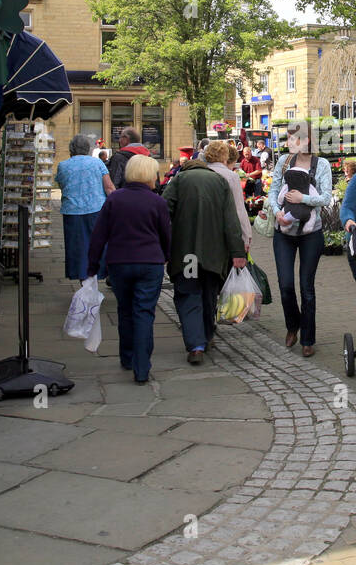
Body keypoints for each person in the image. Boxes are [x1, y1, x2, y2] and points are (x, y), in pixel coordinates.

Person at [88, 154, 171, 383]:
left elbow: (99, 235)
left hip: (120, 263)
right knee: (144, 312)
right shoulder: (157, 202)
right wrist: (166, 257)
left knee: (125, 310)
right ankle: (142, 367)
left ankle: (127, 357)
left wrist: (92, 265)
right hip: (150, 263)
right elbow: (166, 235)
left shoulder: (115, 200)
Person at [164, 144, 247, 365]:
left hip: (187, 253)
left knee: (189, 294)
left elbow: (163, 211)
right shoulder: (219, 182)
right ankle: (208, 335)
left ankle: (196, 346)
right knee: (209, 294)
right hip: (213, 253)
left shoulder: (180, 180)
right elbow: (231, 221)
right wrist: (238, 252)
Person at [268, 120, 334, 357]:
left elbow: (326, 197)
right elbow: (273, 191)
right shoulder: (284, 162)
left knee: (307, 286)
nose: (289, 143)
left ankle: (308, 338)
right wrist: (277, 212)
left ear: (306, 141)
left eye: (293, 138)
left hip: (310, 232)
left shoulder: (321, 164)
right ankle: (292, 324)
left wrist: (303, 200)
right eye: (288, 138)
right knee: (286, 285)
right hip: (283, 231)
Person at [55, 133, 114, 282]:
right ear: (88, 148)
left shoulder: (63, 165)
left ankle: (84, 280)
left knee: (78, 248)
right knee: (99, 245)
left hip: (72, 212)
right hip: (96, 210)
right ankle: (97, 274)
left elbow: (62, 184)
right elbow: (109, 188)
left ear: (71, 149)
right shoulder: (97, 163)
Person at [207, 141, 253, 251]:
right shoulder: (231, 176)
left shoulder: (201, 172)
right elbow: (239, 208)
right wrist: (246, 235)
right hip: (226, 229)